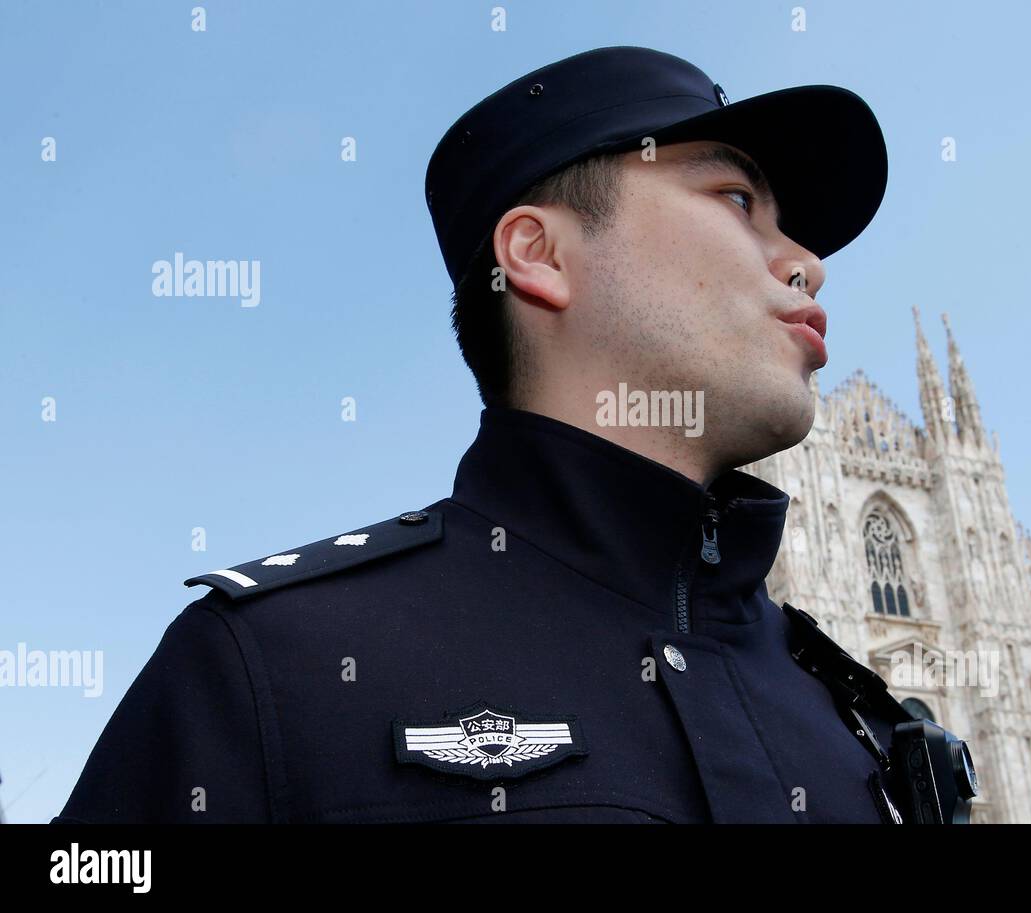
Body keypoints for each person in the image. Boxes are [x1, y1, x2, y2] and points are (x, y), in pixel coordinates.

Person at [53, 45, 912, 823]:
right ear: (537, 253)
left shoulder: (868, 729)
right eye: (736, 198)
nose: (807, 259)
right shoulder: (267, 669)